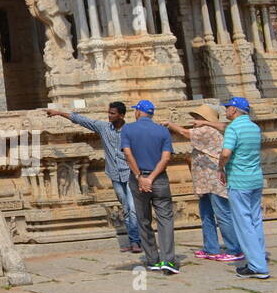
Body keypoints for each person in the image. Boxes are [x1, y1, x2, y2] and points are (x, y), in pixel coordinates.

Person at [46, 101, 140, 253]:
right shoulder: (104, 128)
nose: (109, 116)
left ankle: (137, 241)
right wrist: (59, 113)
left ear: (121, 115)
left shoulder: (130, 131)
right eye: (109, 113)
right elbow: (82, 120)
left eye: (112, 113)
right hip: (115, 174)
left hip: (130, 174)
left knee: (134, 208)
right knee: (126, 209)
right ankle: (134, 240)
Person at [166, 105, 242, 262]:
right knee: (206, 215)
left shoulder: (207, 131)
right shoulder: (208, 130)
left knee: (222, 215)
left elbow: (185, 133)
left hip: (214, 180)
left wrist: (170, 125)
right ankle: (211, 248)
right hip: (204, 181)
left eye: (198, 117)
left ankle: (234, 249)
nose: (195, 121)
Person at [120, 100, 178, 274]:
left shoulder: (128, 129)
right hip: (159, 179)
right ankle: (168, 260)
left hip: (138, 180)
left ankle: (152, 259)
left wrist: (140, 177)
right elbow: (166, 158)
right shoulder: (162, 131)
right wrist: (151, 178)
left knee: (143, 219)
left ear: (138, 112)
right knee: (165, 220)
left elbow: (128, 154)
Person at [219, 96, 269, 280]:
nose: (226, 111)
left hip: (239, 181)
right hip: (255, 179)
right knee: (255, 220)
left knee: (244, 223)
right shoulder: (254, 128)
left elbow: (226, 153)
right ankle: (259, 257)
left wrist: (220, 167)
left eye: (227, 108)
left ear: (234, 110)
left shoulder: (233, 128)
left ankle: (257, 266)